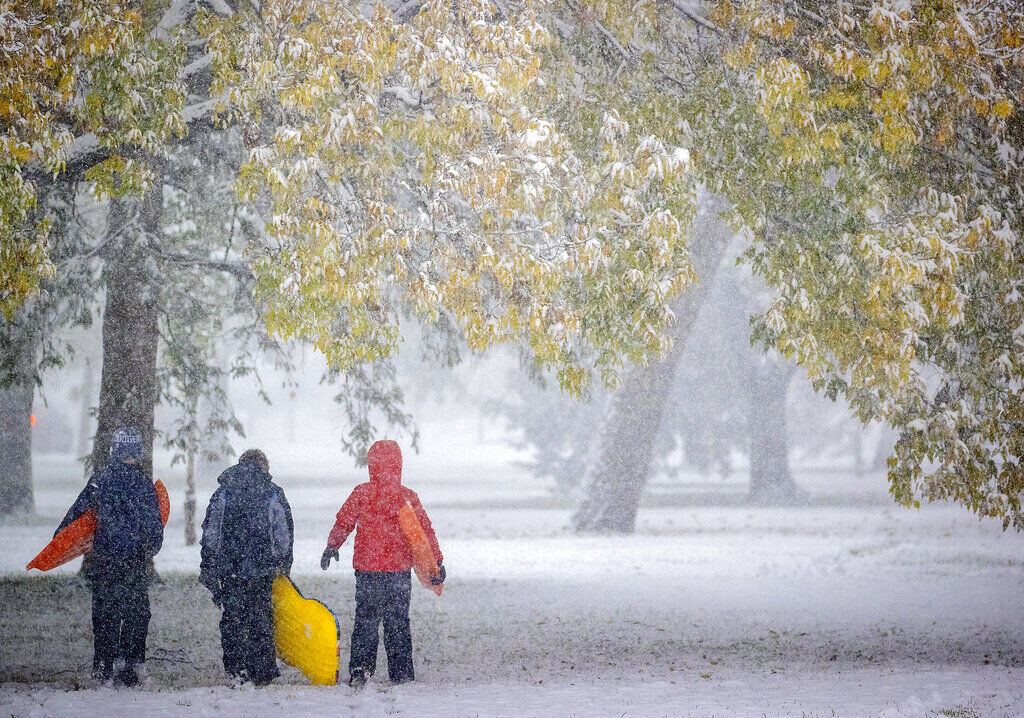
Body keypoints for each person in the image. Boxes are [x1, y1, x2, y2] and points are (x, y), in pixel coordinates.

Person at [320, 439, 444, 687]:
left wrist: (332, 545)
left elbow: (344, 521)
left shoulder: (362, 493)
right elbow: (425, 532)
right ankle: (401, 672)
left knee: (365, 621)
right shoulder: (406, 496)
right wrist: (437, 561)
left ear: (371, 464)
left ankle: (360, 670)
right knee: (398, 622)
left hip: (368, 570)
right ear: (399, 465)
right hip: (398, 571)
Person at [55, 426, 164, 687]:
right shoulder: (144, 485)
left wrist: (60, 537)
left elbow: (77, 512)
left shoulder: (100, 481)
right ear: (137, 452)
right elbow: (154, 526)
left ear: (115, 450)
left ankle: (103, 665)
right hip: (134, 560)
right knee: (136, 612)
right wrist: (151, 548)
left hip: (106, 558)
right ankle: (132, 664)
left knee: (105, 612)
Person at [200, 449, 293, 686]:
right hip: (262, 568)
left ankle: (235, 668)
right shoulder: (272, 492)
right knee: (260, 619)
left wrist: (209, 562)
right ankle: (261, 670)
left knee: (232, 618)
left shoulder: (224, 492)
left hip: (230, 568)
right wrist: (283, 562)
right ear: (264, 467)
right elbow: (283, 532)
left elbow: (211, 531)